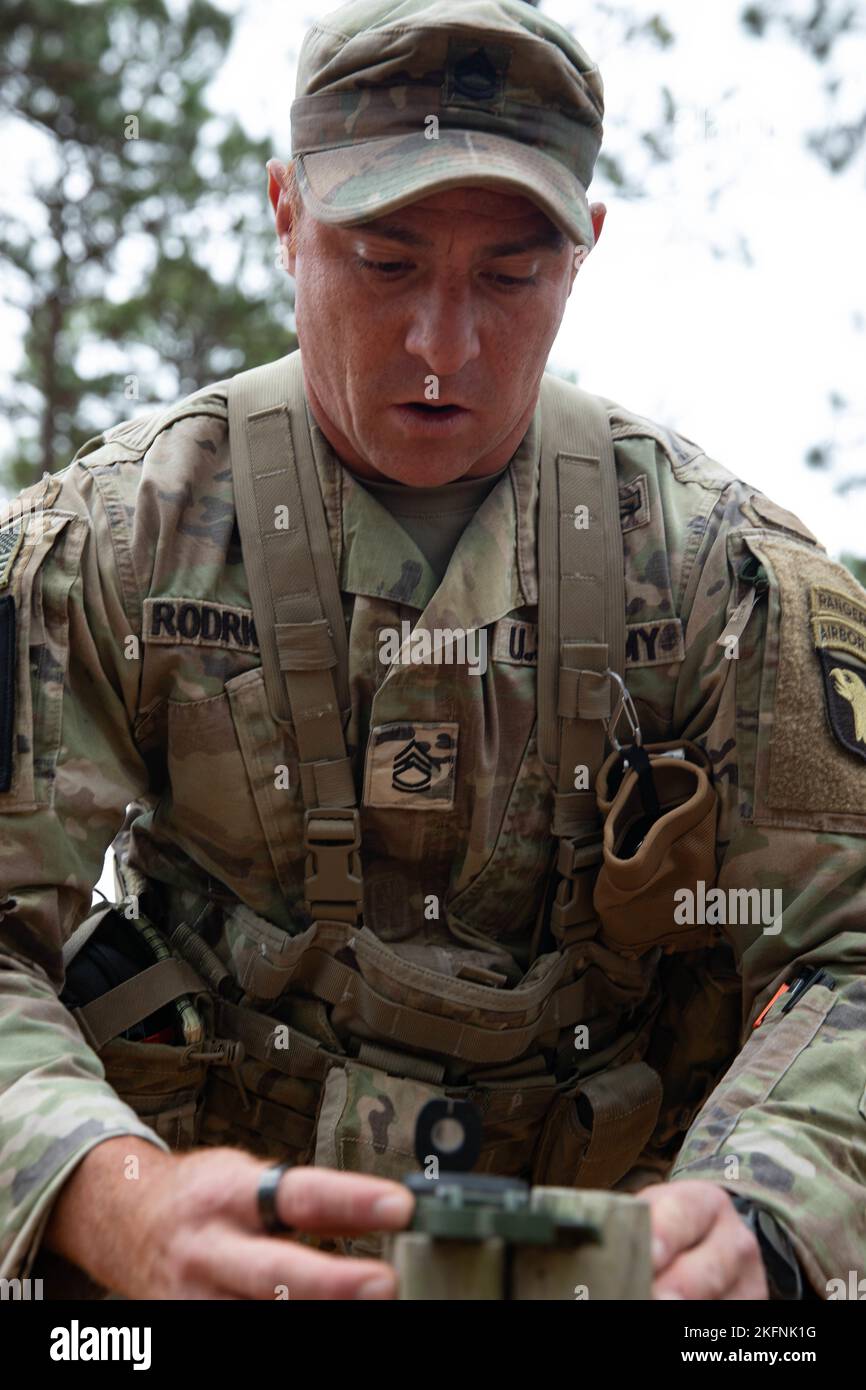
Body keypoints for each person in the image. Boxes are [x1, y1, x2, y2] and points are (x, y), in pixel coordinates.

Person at [1, 0, 864, 1303]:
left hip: (610, 1261)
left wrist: (763, 1206)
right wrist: (98, 1188)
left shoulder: (718, 575)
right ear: (286, 216)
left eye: (508, 276)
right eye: (384, 262)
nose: (440, 347)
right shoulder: (115, 541)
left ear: (582, 253)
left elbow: (844, 945)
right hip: (203, 1245)